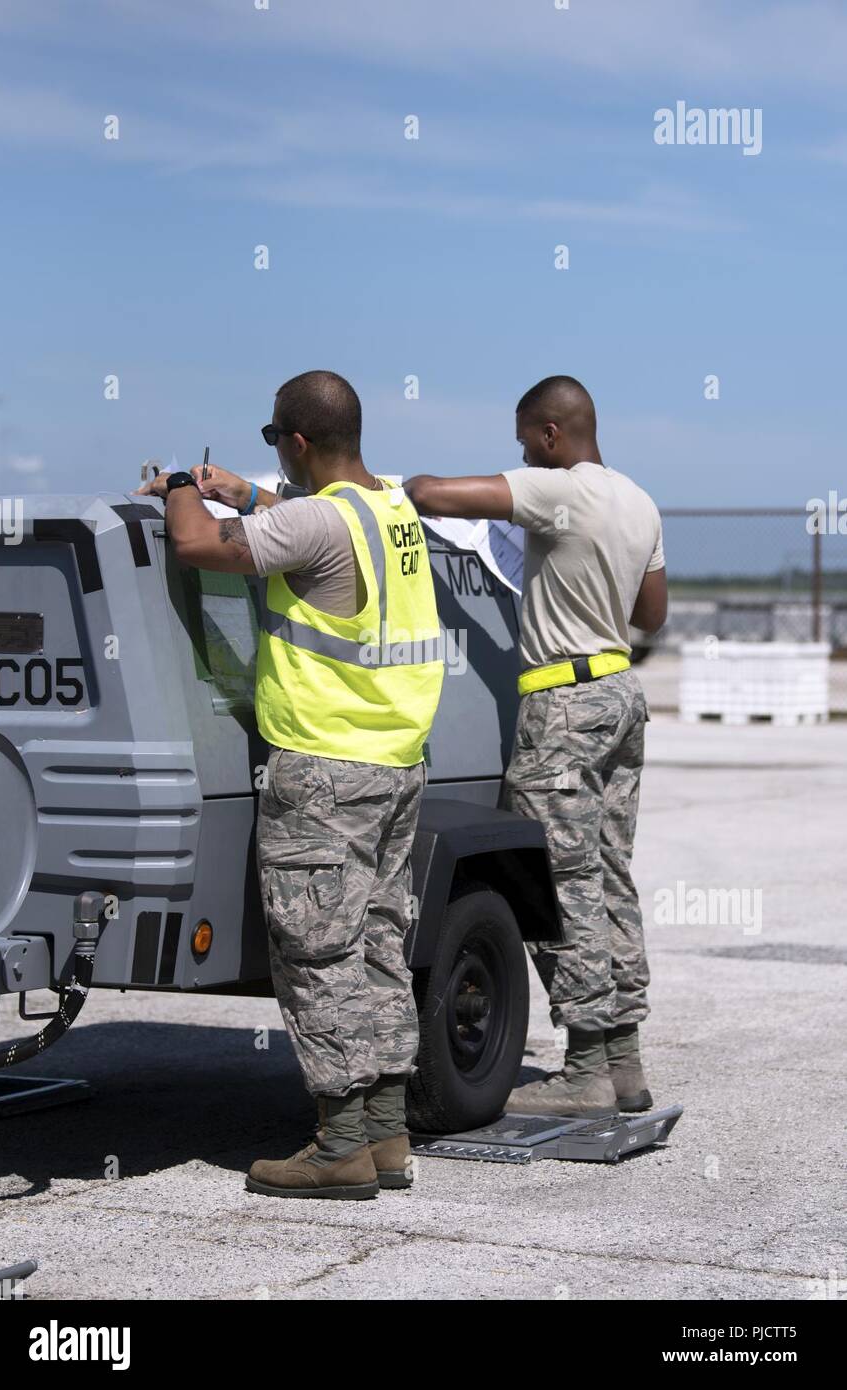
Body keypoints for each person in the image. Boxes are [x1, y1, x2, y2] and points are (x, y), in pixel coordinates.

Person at [137, 371, 444, 1196]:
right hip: (396, 765)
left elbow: (201, 547)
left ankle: (337, 1144)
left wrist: (175, 486)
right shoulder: (390, 510)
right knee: (378, 948)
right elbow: (314, 523)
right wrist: (248, 491)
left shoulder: (313, 520)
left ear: (299, 442)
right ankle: (385, 1134)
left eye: (276, 440)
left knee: (316, 955)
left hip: (325, 772)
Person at [404, 375, 666, 1118]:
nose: (522, 454)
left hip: (562, 702)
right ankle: (624, 1060)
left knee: (560, 879)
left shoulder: (560, 489)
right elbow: (651, 613)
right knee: (612, 875)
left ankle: (583, 1070)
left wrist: (403, 484)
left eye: (525, 442)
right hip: (620, 693)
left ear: (552, 433)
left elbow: (432, 494)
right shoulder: (639, 501)